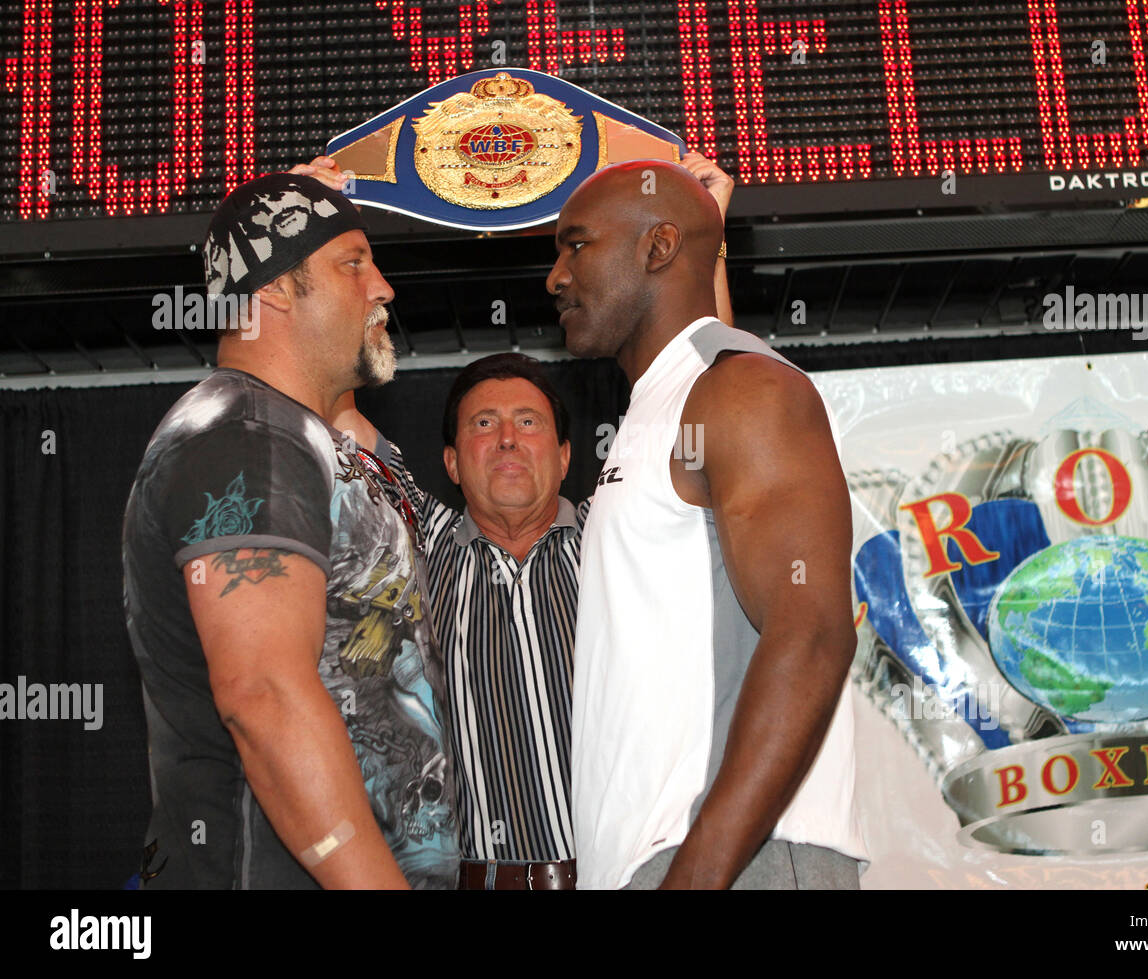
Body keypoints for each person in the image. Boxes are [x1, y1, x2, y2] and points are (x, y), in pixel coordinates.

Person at [298, 152, 737, 889]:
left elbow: (713, 397)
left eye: (529, 422)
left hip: (619, 871)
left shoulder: (613, 533)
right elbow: (330, 402)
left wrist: (705, 236)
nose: (506, 438)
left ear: (566, 455)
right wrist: (313, 227)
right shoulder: (416, 539)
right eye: (484, 425)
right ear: (450, 462)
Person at [122, 172, 459, 889]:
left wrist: (296, 209)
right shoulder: (243, 435)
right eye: (353, 263)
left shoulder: (302, 439)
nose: (384, 288)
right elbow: (262, 693)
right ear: (274, 289)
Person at [547, 161, 869, 889]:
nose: (555, 277)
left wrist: (693, 876)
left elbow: (813, 630)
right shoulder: (667, 404)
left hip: (733, 860)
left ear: (658, 248)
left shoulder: (741, 387)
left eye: (576, 246)